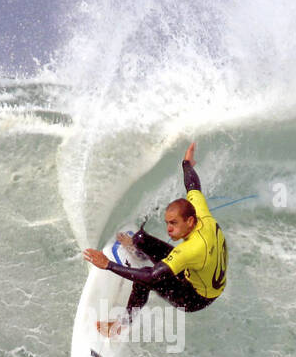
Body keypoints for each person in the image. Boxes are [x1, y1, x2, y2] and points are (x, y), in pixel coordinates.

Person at [82, 141, 228, 336]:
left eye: (174, 224)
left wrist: (108, 264)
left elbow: (151, 276)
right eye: (167, 223)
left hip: (196, 296)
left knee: (145, 277)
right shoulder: (201, 212)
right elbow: (193, 185)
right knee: (141, 239)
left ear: (190, 221)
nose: (169, 230)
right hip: (198, 269)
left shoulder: (191, 249)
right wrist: (187, 164)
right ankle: (140, 252)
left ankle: (121, 325)